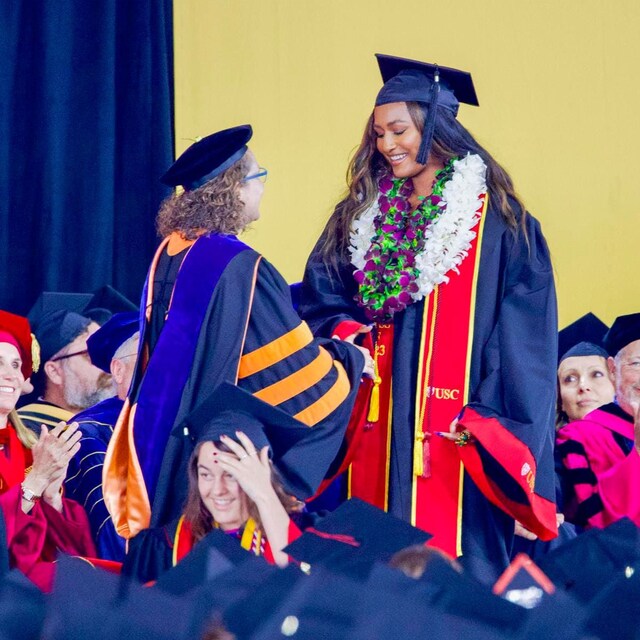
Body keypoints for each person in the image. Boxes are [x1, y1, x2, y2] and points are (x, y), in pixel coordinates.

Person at [299, 54, 558, 581]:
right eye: (378, 134)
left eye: (399, 130)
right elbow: (321, 299)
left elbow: (522, 346)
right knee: (366, 575)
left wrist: (486, 428)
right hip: (373, 430)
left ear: (436, 127)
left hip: (456, 455)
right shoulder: (360, 215)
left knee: (456, 589)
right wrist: (351, 340)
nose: (387, 145)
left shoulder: (502, 226)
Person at [104, 125, 369, 539]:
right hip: (213, 442)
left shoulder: (172, 250)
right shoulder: (238, 264)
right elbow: (284, 364)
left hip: (159, 429)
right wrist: (347, 358)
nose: (261, 188)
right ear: (235, 189)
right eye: (258, 177)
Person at [122, 384, 320, 583]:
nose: (218, 490)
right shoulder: (161, 548)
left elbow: (302, 589)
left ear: (260, 474)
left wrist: (265, 496)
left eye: (231, 475)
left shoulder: (312, 534)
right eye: (206, 475)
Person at [0, 310, 96, 590]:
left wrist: (53, 496)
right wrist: (34, 484)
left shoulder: (31, 446)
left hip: (39, 588)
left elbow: (72, 551)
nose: (9, 375)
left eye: (16, 364)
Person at [64, 312, 139, 561]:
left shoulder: (181, 425)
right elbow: (111, 530)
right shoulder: (88, 433)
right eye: (151, 357)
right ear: (118, 370)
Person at [557, 312, 640, 529]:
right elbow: (609, 527)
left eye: (596, 374)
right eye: (637, 363)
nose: (584, 386)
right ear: (614, 370)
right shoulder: (578, 437)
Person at [18, 310, 114, 431]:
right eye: (92, 355)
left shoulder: (112, 429)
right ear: (54, 372)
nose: (108, 364)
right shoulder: (26, 435)